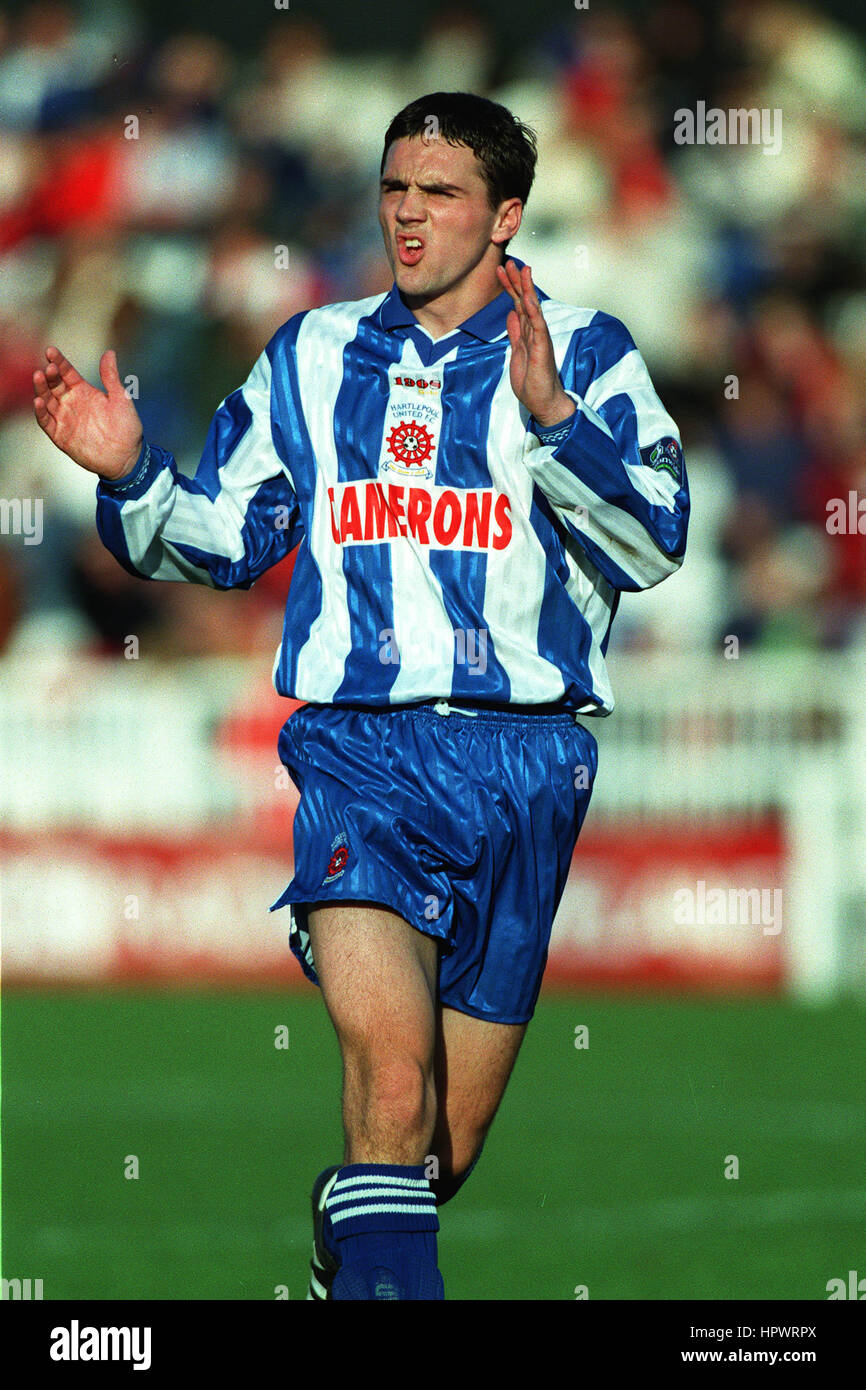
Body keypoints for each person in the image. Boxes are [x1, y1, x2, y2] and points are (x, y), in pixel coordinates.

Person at [32, 91, 689, 1301]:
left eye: (437, 193)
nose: (406, 212)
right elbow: (226, 537)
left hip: (526, 764)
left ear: (505, 216)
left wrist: (550, 420)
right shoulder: (312, 353)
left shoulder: (586, 351)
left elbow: (655, 542)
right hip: (360, 758)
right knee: (390, 1091)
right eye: (394, 186)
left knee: (438, 1147)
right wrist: (133, 474)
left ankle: (361, 1236)